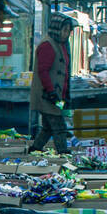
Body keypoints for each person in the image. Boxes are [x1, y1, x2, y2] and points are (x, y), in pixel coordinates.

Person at [29, 13, 75, 154]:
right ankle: (63, 152)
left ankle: (35, 149)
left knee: (48, 126)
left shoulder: (61, 45)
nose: (66, 34)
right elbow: (43, 71)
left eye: (68, 30)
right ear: (56, 29)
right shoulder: (48, 45)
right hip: (47, 95)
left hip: (56, 95)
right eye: (64, 30)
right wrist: (51, 91)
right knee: (59, 125)